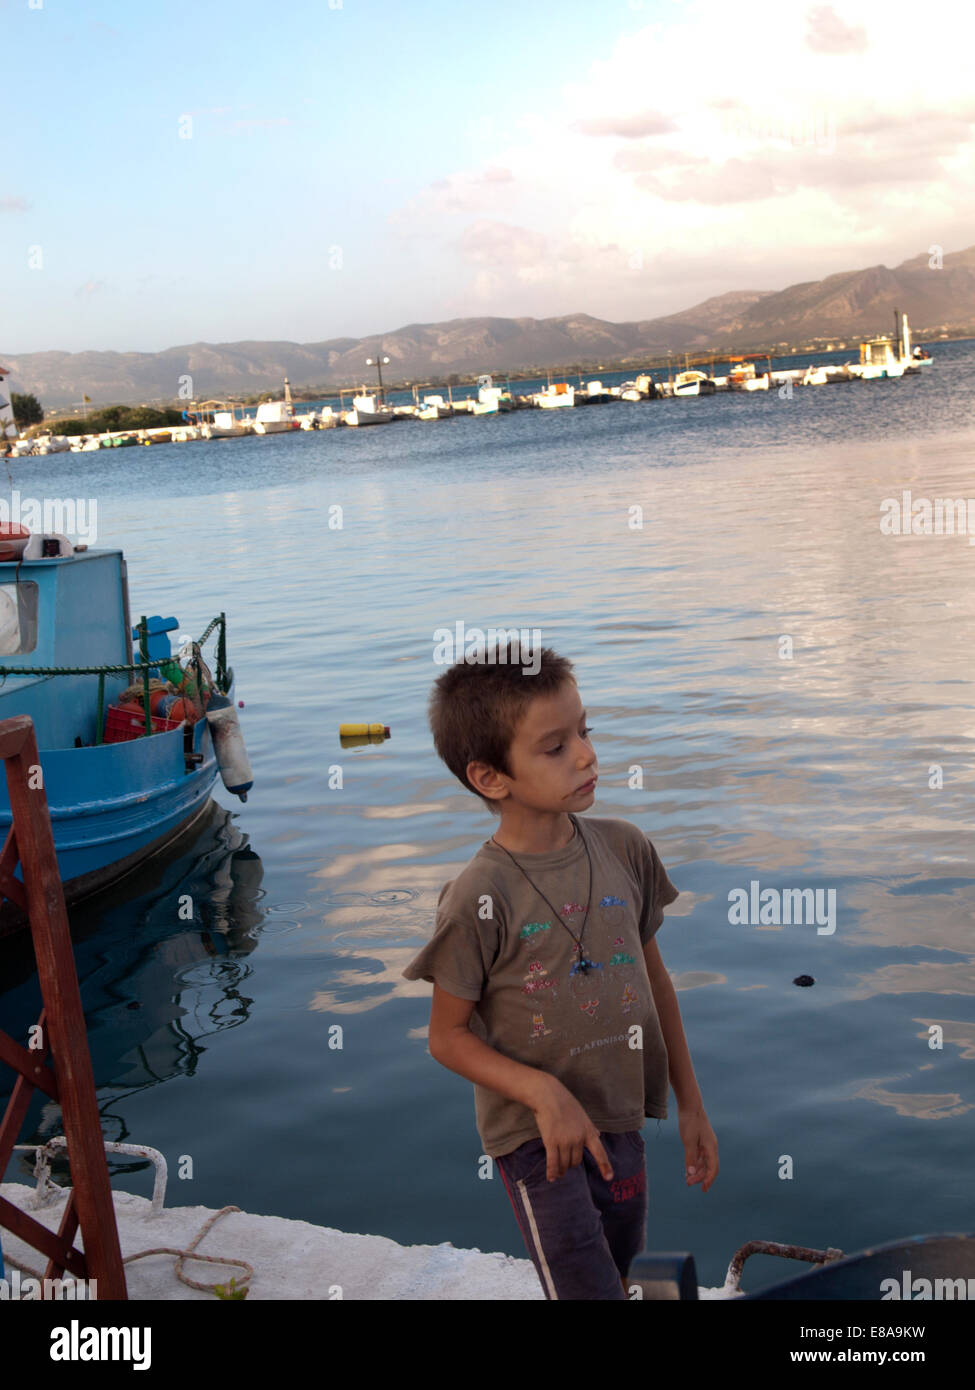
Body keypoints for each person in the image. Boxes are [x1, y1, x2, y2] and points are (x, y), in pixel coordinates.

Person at [401, 641, 718, 1300]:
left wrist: (690, 1103)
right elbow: (446, 1037)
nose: (585, 754)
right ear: (490, 777)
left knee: (625, 1270)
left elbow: (656, 984)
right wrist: (544, 1094)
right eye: (554, 747)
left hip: (620, 1112)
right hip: (536, 1137)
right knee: (583, 1287)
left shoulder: (624, 849)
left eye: (584, 730)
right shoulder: (476, 896)